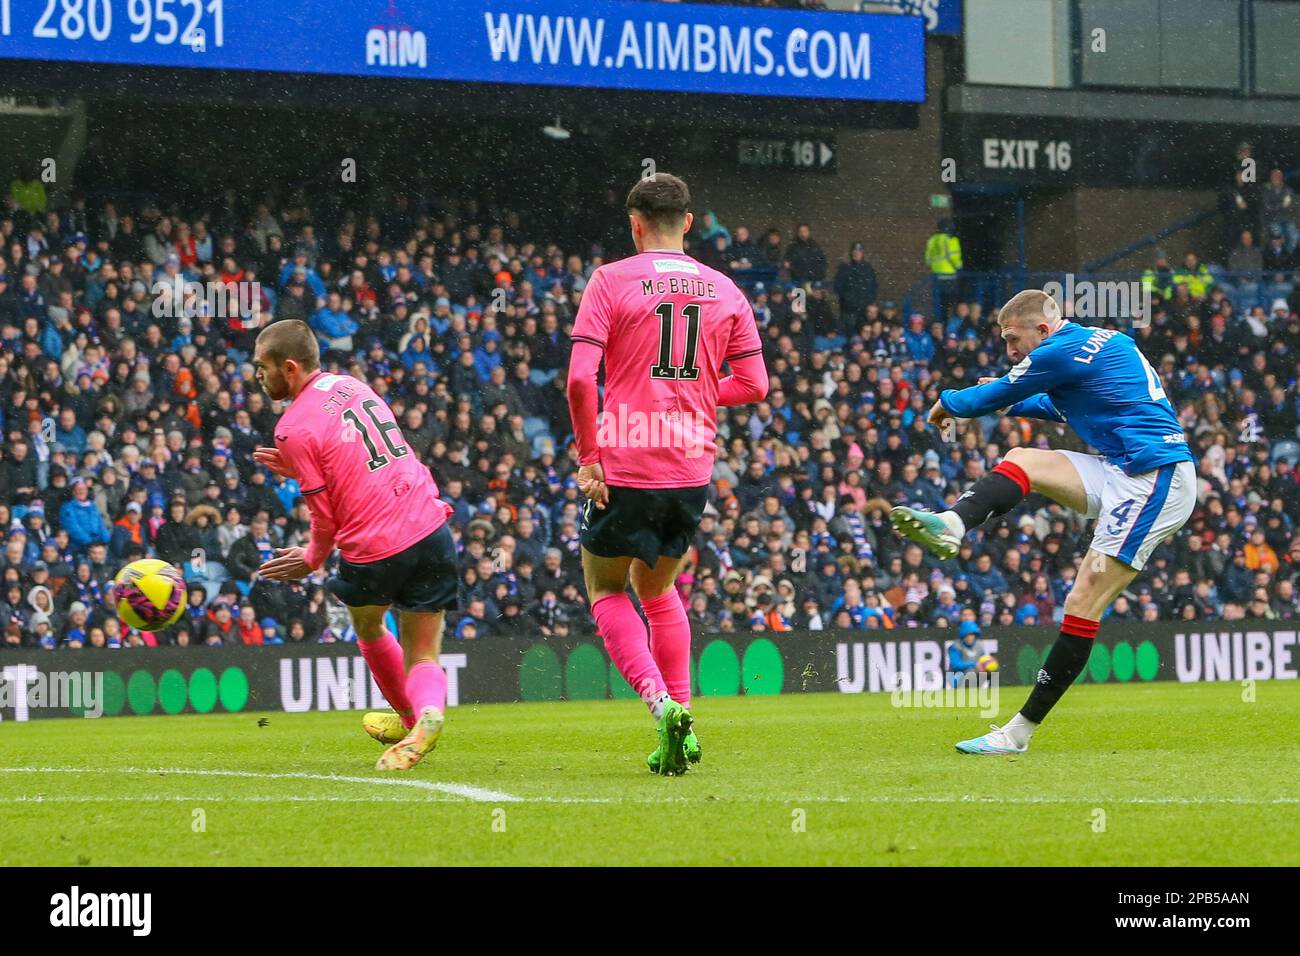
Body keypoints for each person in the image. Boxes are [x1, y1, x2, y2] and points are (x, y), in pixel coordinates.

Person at [890, 289, 1195, 754]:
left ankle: (1017, 733)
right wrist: (1007, 397)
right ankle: (952, 524)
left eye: (1014, 339)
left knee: (1082, 599)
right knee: (1023, 459)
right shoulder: (1094, 343)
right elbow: (1062, 406)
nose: (1009, 350)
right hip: (1123, 467)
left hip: (1155, 478)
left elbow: (989, 396)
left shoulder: (1062, 350)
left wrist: (950, 401)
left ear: (1044, 330)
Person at [566, 173, 768, 775]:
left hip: (626, 459)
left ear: (634, 225)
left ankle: (661, 706)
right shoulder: (727, 290)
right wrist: (699, 394)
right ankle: (684, 714)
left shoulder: (610, 280)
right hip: (688, 466)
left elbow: (580, 379)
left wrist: (588, 456)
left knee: (606, 588)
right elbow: (754, 384)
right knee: (659, 592)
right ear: (688, 221)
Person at [251, 319, 457, 772]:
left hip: (376, 545)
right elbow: (363, 455)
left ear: (288, 368)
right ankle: (430, 714)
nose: (257, 378)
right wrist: (307, 470)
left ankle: (408, 717)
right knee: (423, 652)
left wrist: (310, 559)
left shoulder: (291, 429)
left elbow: (324, 518)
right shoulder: (353, 386)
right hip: (430, 526)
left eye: (261, 368)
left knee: (368, 627)